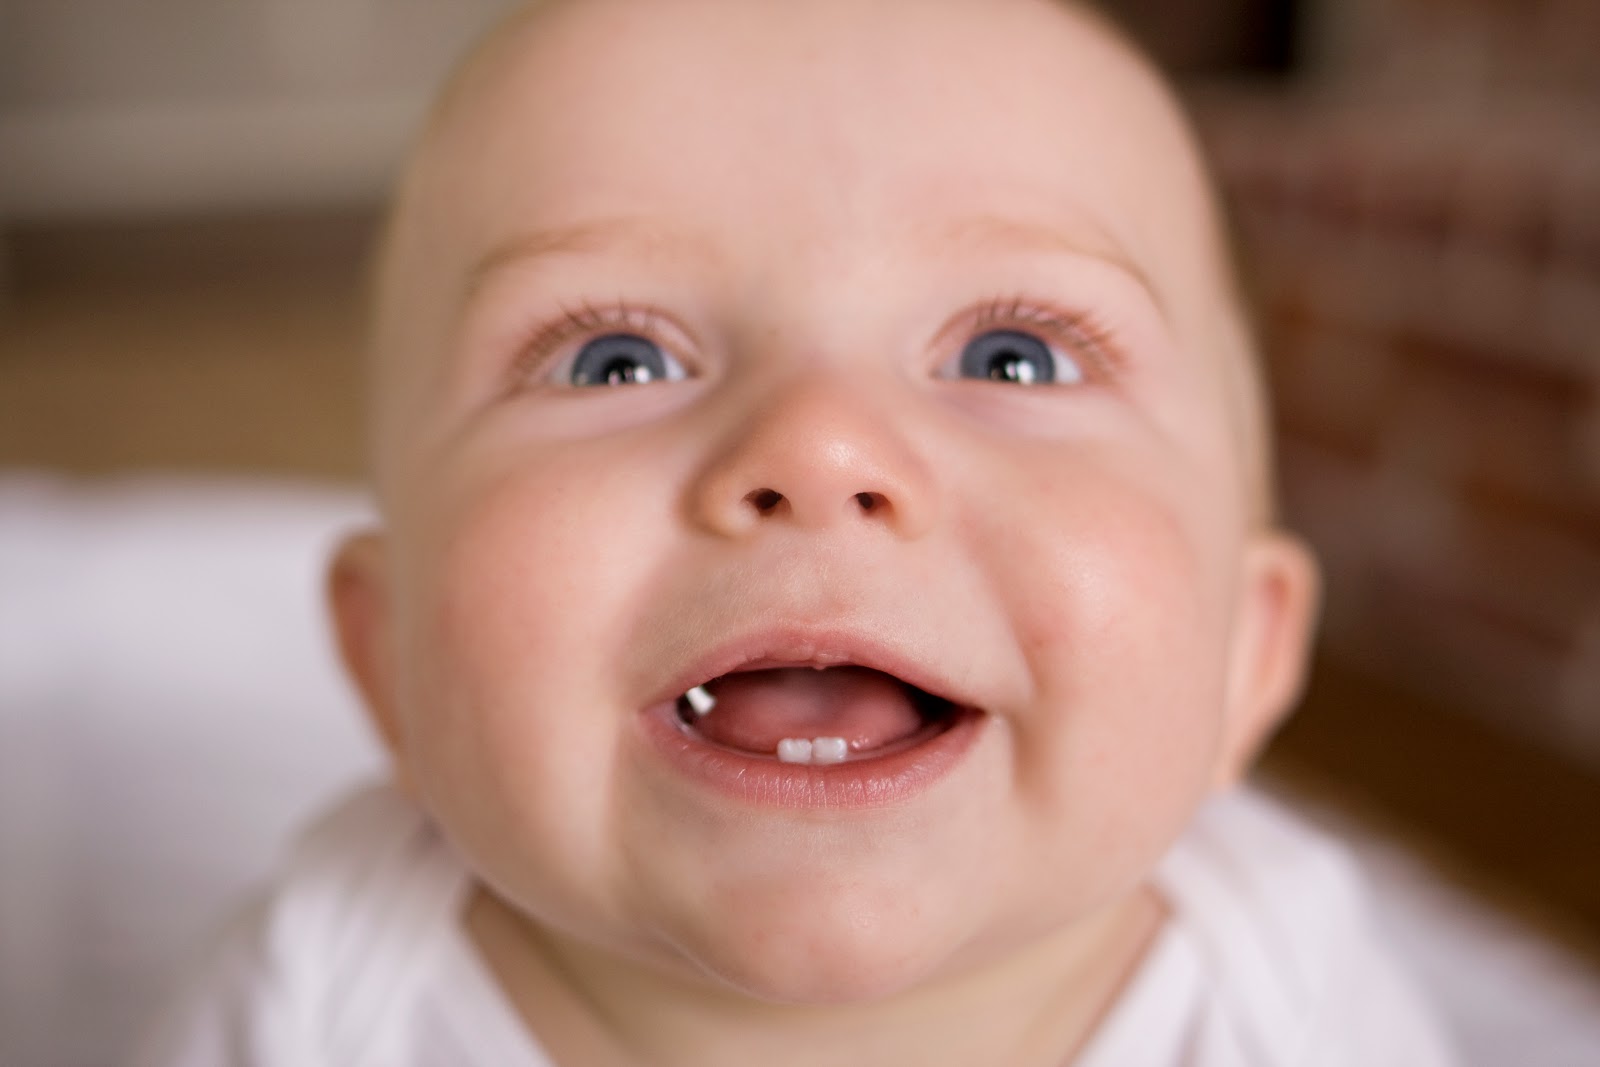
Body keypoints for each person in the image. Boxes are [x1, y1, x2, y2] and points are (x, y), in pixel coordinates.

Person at [139, 0, 1457, 1063]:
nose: (820, 450)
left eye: (1013, 358)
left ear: (1247, 659)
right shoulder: (316, 996)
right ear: (387, 666)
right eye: (613, 359)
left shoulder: (1290, 1006)